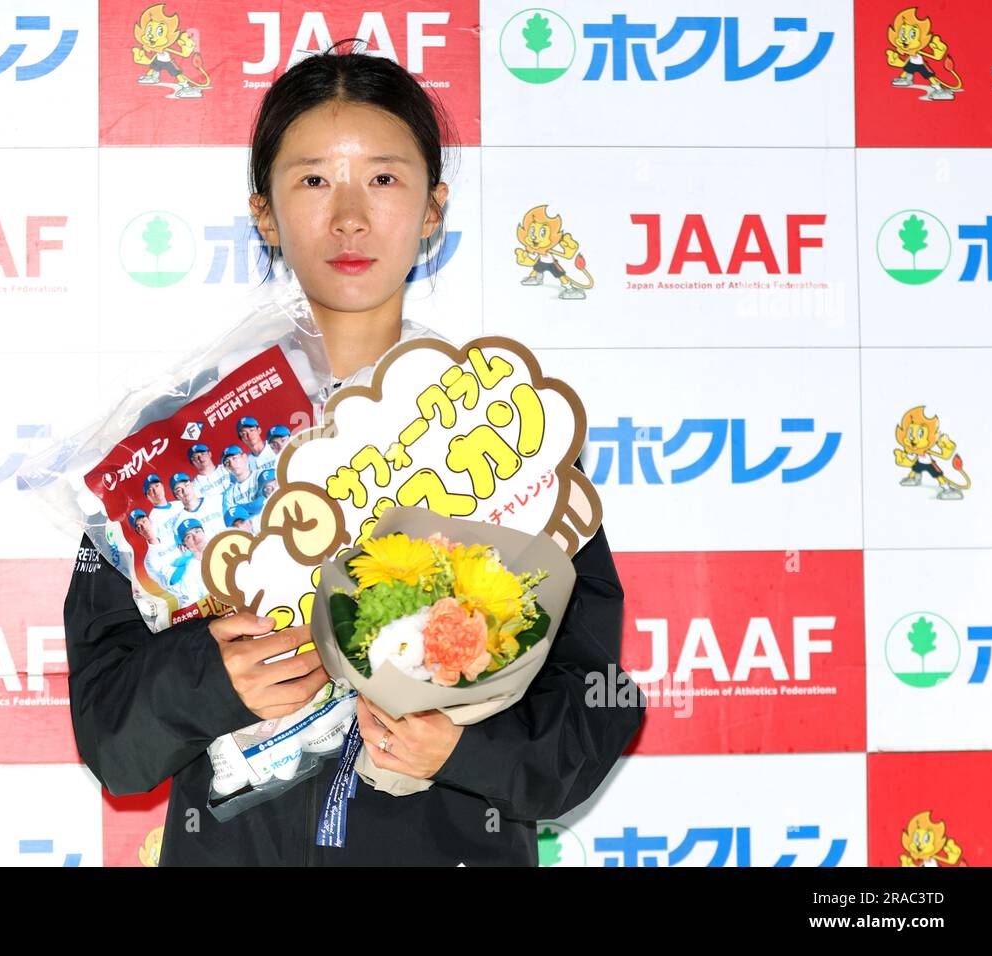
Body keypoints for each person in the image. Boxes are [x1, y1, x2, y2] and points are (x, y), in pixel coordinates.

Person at [64, 39, 645, 865]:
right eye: (311, 180)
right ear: (262, 210)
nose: (349, 216)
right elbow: (110, 739)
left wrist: (462, 748)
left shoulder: (495, 430)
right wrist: (213, 677)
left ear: (433, 208)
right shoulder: (177, 452)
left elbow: (594, 702)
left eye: (382, 177)